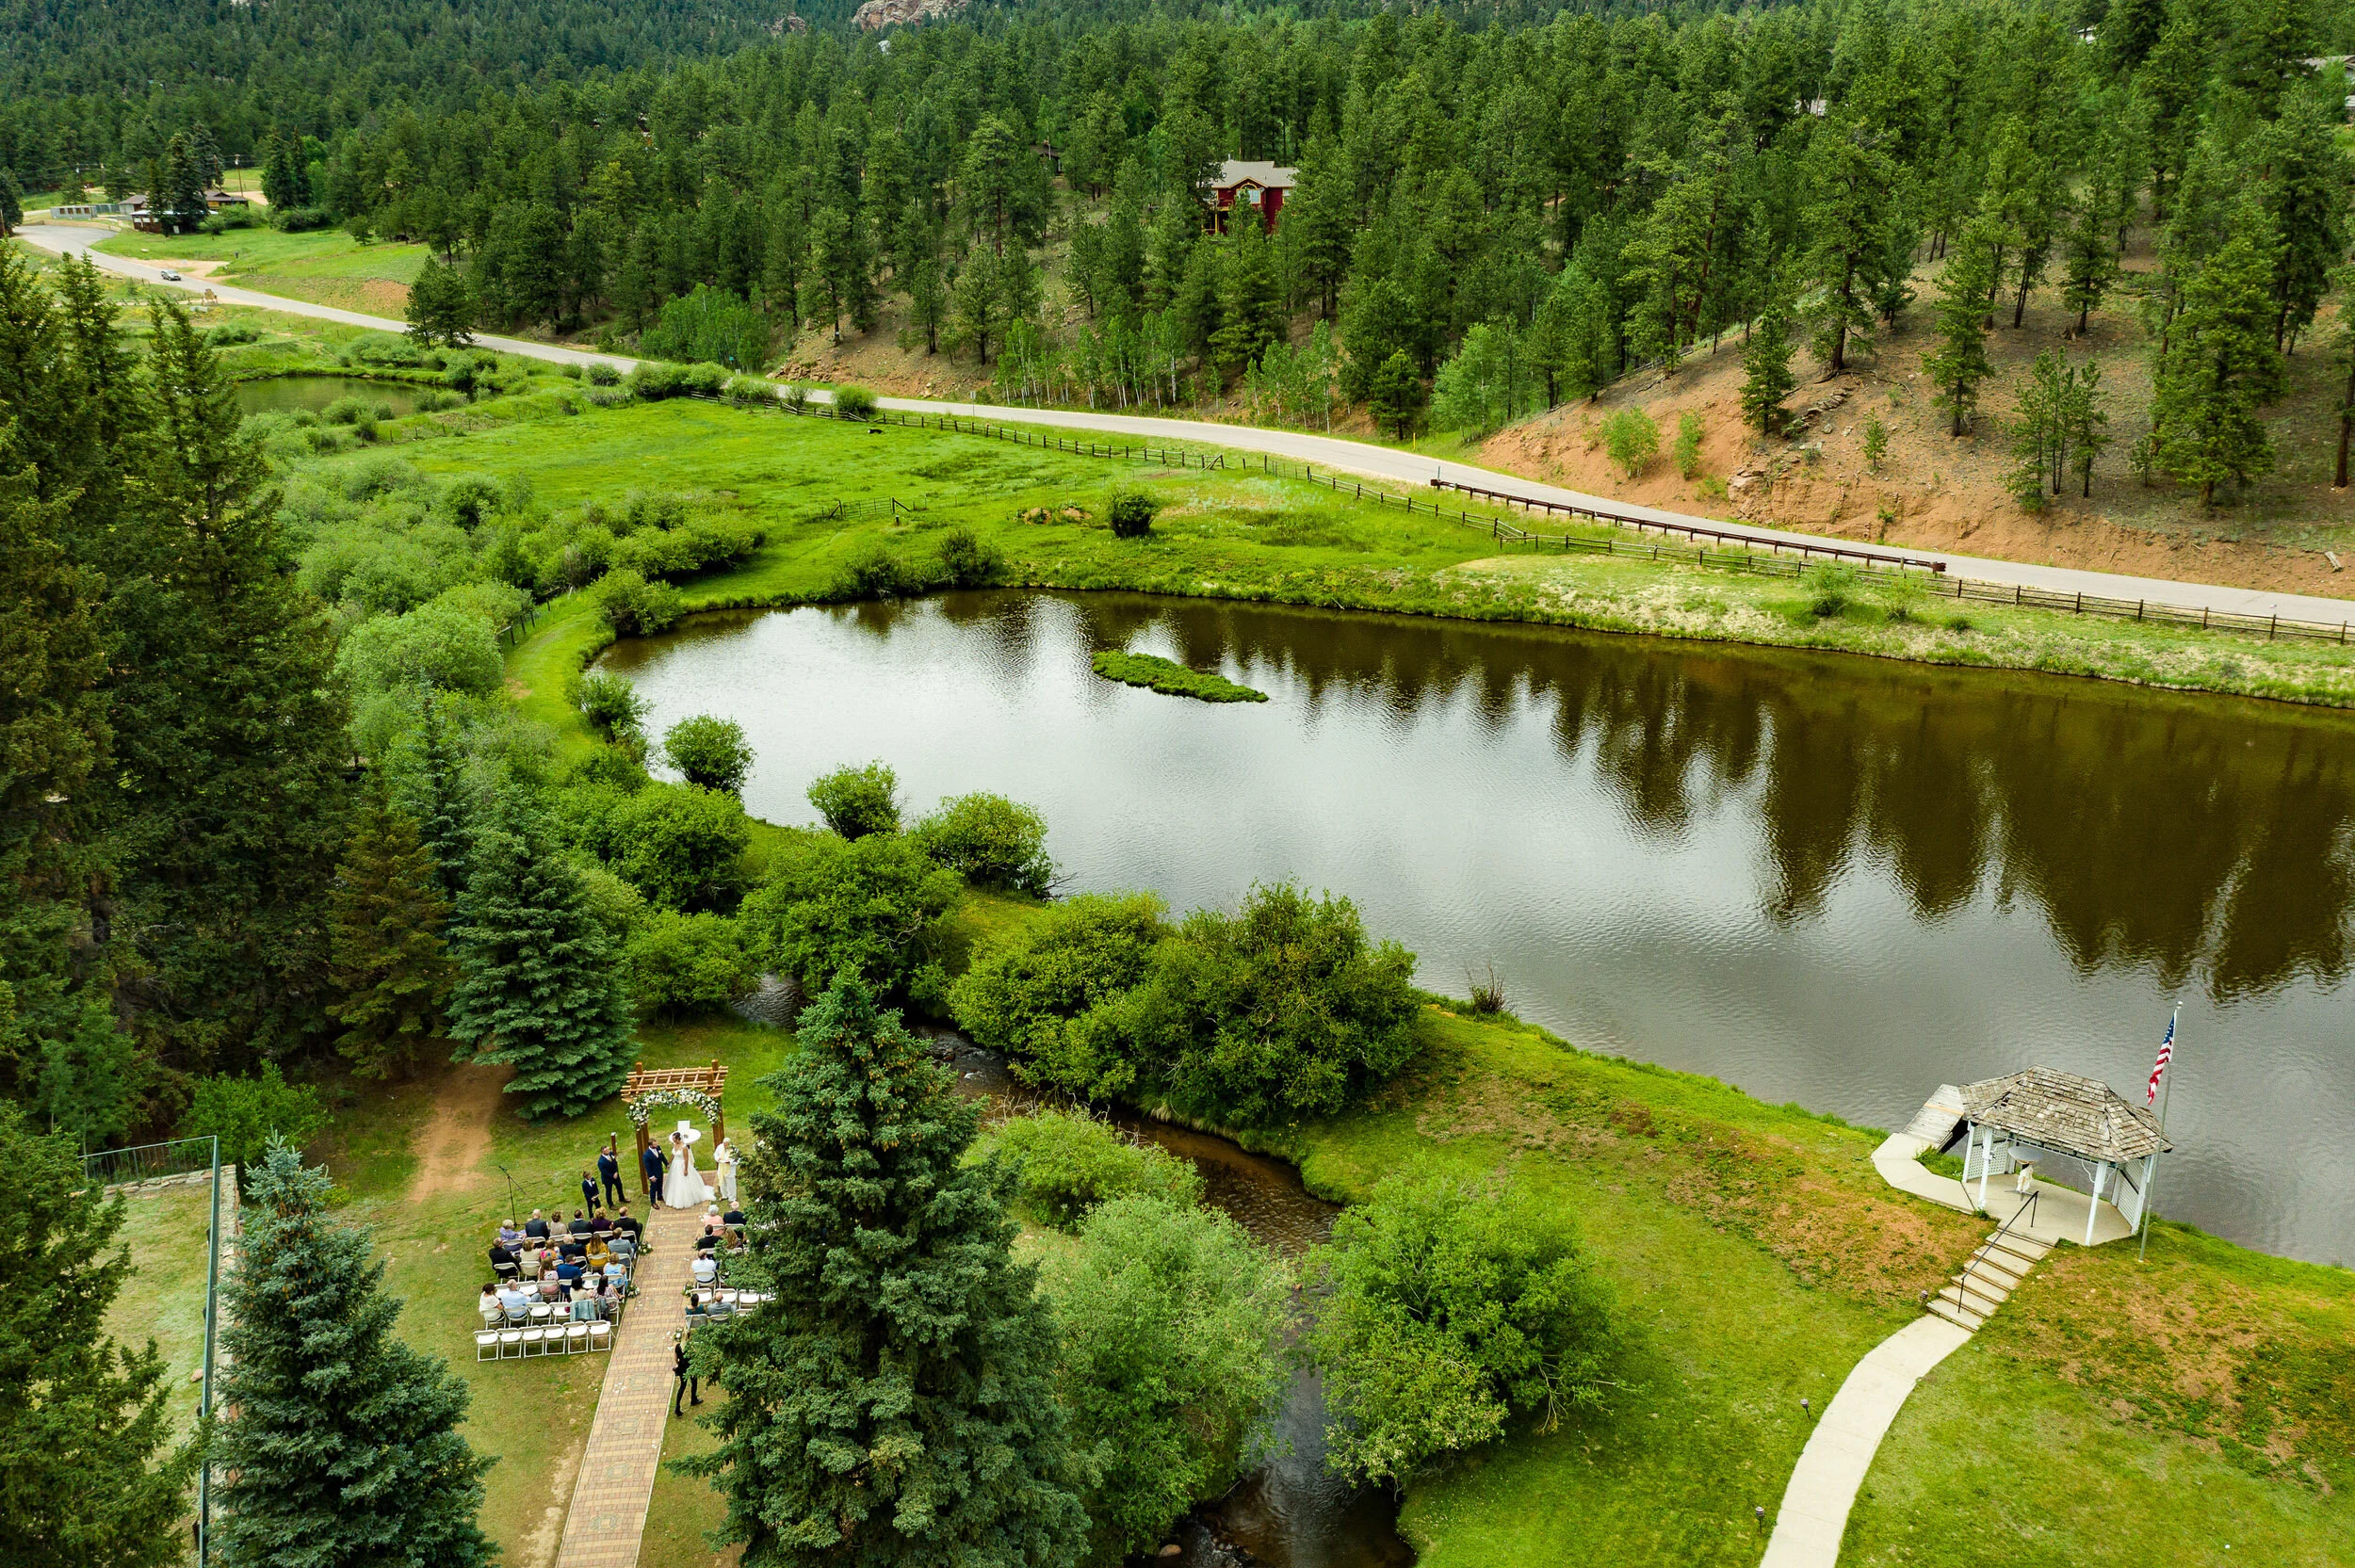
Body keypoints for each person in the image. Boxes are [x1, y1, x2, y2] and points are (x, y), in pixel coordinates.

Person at [664, 1127, 711, 1210]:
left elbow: (686, 1159)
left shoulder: (684, 1147)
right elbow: (673, 1154)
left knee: (684, 1181)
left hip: (682, 1164)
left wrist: (685, 1169)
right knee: (675, 1181)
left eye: (674, 1140)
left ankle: (688, 1197)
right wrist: (669, 1163)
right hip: (675, 1165)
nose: (673, 1141)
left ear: (678, 1139)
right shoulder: (675, 1145)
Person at [671, 1332, 700, 1415]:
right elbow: (694, 1356)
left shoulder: (678, 1347)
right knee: (694, 1382)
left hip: (682, 1368)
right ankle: (693, 1399)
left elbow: (675, 1359)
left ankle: (677, 1406)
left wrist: (679, 1364)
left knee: (682, 1386)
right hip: (690, 1367)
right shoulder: (690, 1347)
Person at [598, 1138, 625, 1209]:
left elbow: (615, 1163)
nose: (608, 1151)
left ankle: (622, 1198)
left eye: (608, 1150)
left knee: (619, 1186)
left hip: (615, 1175)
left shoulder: (611, 1154)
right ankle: (610, 1204)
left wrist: (616, 1172)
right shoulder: (601, 1161)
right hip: (608, 1178)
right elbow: (604, 1172)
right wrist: (612, 1175)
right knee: (609, 1191)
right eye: (606, 1151)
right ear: (602, 1152)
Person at [713, 1136, 739, 1204]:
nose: (725, 1146)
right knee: (722, 1182)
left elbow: (737, 1160)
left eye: (727, 1145)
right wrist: (718, 1158)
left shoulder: (734, 1149)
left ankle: (732, 1198)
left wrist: (730, 1162)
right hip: (721, 1167)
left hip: (730, 1169)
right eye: (724, 1144)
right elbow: (715, 1155)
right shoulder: (720, 1147)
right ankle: (725, 1195)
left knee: (731, 1184)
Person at [641, 1140, 666, 1204]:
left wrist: (666, 1164)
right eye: (654, 1145)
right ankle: (653, 1202)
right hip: (653, 1174)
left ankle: (659, 1196)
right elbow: (647, 1167)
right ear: (651, 1146)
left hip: (660, 1171)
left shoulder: (658, 1148)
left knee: (660, 1184)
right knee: (653, 1188)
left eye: (656, 1143)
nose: (656, 1145)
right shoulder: (646, 1155)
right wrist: (651, 1176)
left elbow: (662, 1156)